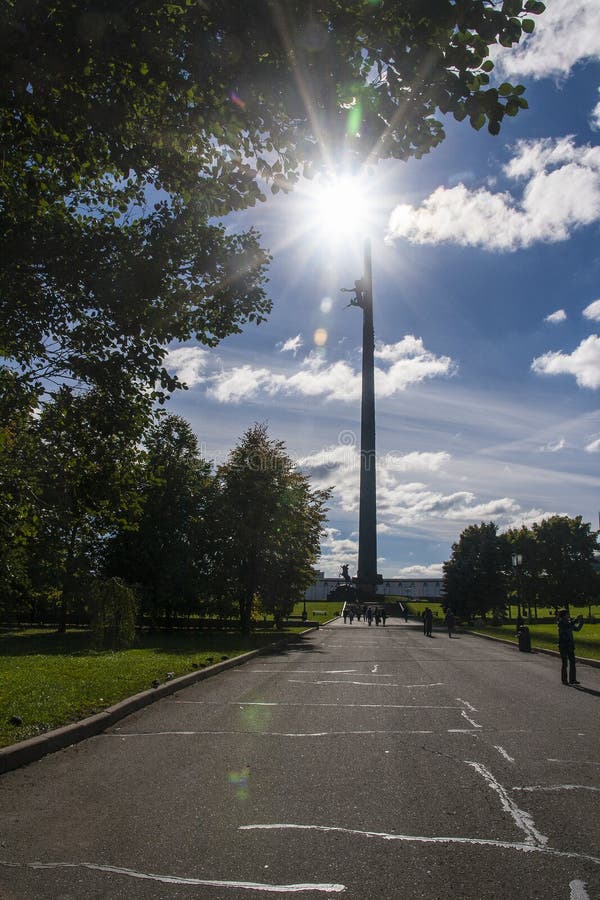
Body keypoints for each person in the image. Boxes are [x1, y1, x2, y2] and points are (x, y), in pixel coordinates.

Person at [557, 609, 584, 685]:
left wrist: (581, 621)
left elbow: (577, 629)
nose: (568, 615)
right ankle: (564, 680)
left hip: (570, 645)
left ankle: (572, 679)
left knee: (572, 662)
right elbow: (567, 627)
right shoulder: (561, 623)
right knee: (565, 663)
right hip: (563, 646)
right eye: (567, 614)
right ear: (564, 615)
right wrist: (576, 619)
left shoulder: (569, 622)